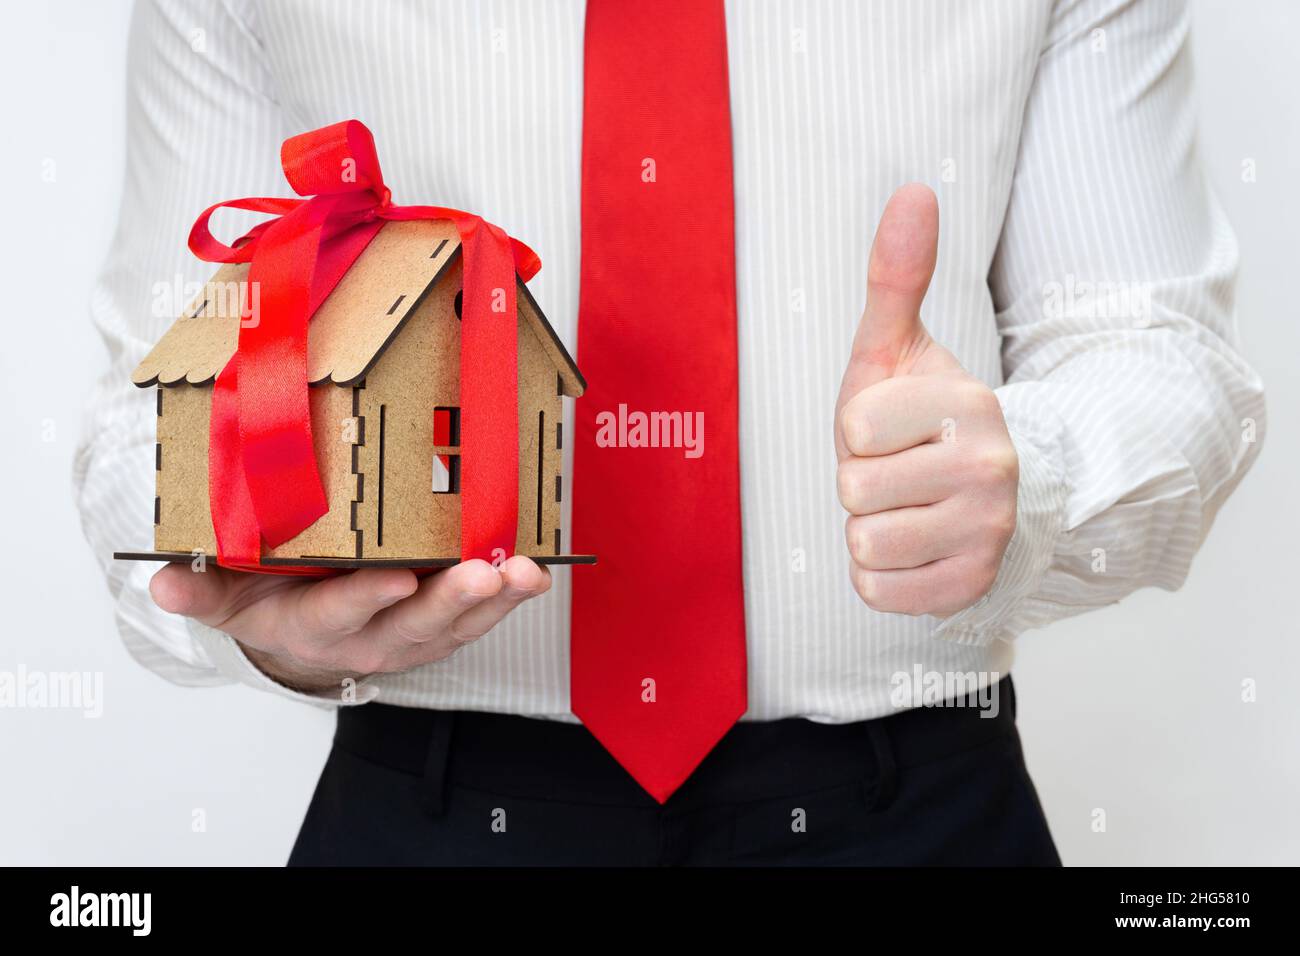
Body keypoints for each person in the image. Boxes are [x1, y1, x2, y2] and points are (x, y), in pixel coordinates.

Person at [75, 0, 1264, 866]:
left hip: (919, 805)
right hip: (428, 804)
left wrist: (1033, 476)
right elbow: (150, 405)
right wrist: (269, 602)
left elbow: (1154, 344)